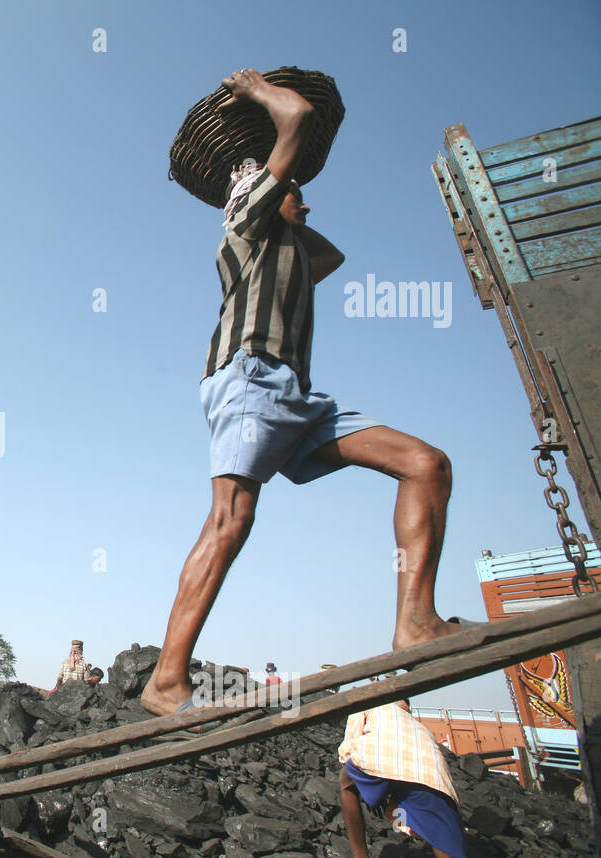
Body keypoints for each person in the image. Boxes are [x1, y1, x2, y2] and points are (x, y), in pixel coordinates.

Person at [140, 67, 461, 718]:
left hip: (298, 397)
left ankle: (415, 623)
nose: (305, 201)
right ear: (258, 194)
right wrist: (262, 99)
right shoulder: (247, 228)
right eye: (295, 193)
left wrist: (290, 203)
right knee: (232, 519)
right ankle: (165, 681)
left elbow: (328, 259)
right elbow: (297, 117)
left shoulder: (285, 244)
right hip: (250, 378)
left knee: (426, 465)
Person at [338, 698, 468, 858]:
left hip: (380, 756)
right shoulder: (414, 722)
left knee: (345, 782)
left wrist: (364, 784)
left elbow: (348, 748)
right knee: (448, 849)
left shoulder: (366, 704)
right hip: (432, 772)